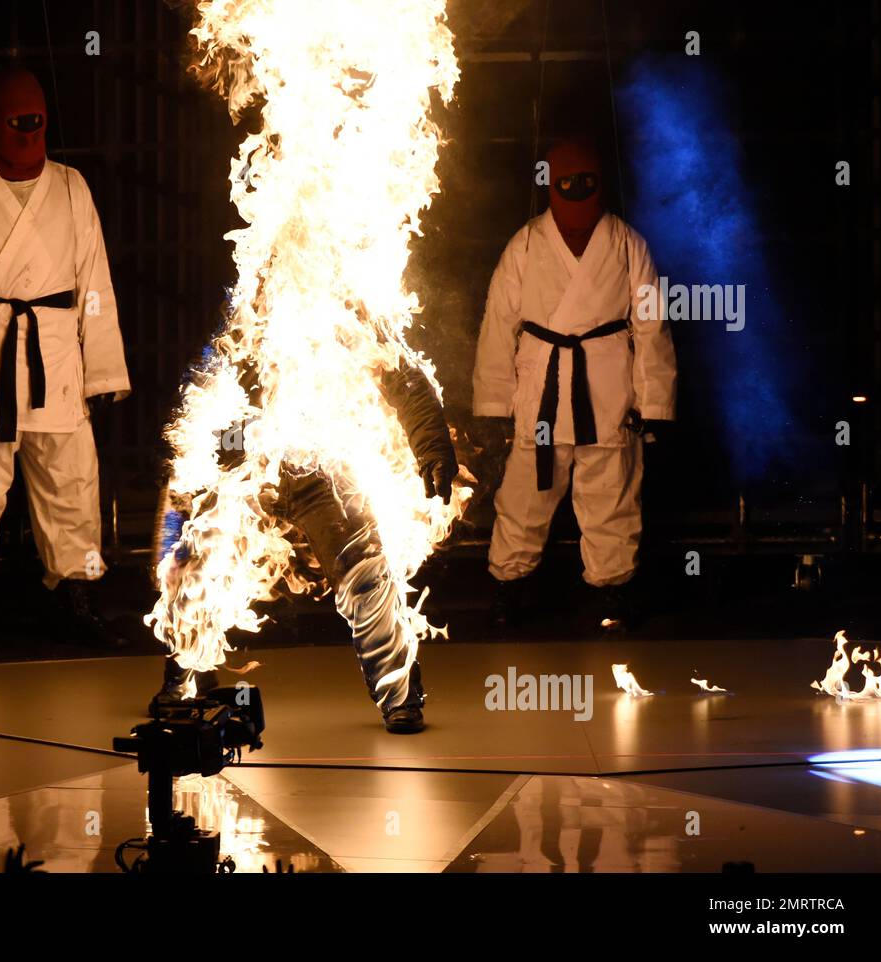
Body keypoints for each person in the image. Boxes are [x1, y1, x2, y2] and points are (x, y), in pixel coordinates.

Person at [0, 68, 130, 655]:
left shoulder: (70, 186)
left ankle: (78, 595)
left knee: (72, 486)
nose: (29, 129)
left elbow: (94, 282)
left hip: (56, 356)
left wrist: (104, 369)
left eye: (36, 118)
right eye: (16, 119)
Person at [153, 359, 459, 735]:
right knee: (199, 559)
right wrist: (197, 466)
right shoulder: (246, 315)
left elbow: (407, 384)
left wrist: (434, 451)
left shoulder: (356, 311)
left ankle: (400, 697)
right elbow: (202, 395)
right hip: (248, 472)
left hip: (324, 476)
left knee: (365, 578)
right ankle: (184, 674)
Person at [471, 137, 676, 632]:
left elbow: (650, 326)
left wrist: (654, 403)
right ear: (550, 185)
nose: (578, 189)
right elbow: (499, 325)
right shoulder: (525, 244)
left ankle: (612, 591)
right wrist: (494, 404)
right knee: (524, 497)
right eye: (567, 182)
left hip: (607, 388)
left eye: (586, 181)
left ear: (601, 183)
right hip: (540, 388)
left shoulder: (627, 243)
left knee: (612, 496)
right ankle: (509, 586)